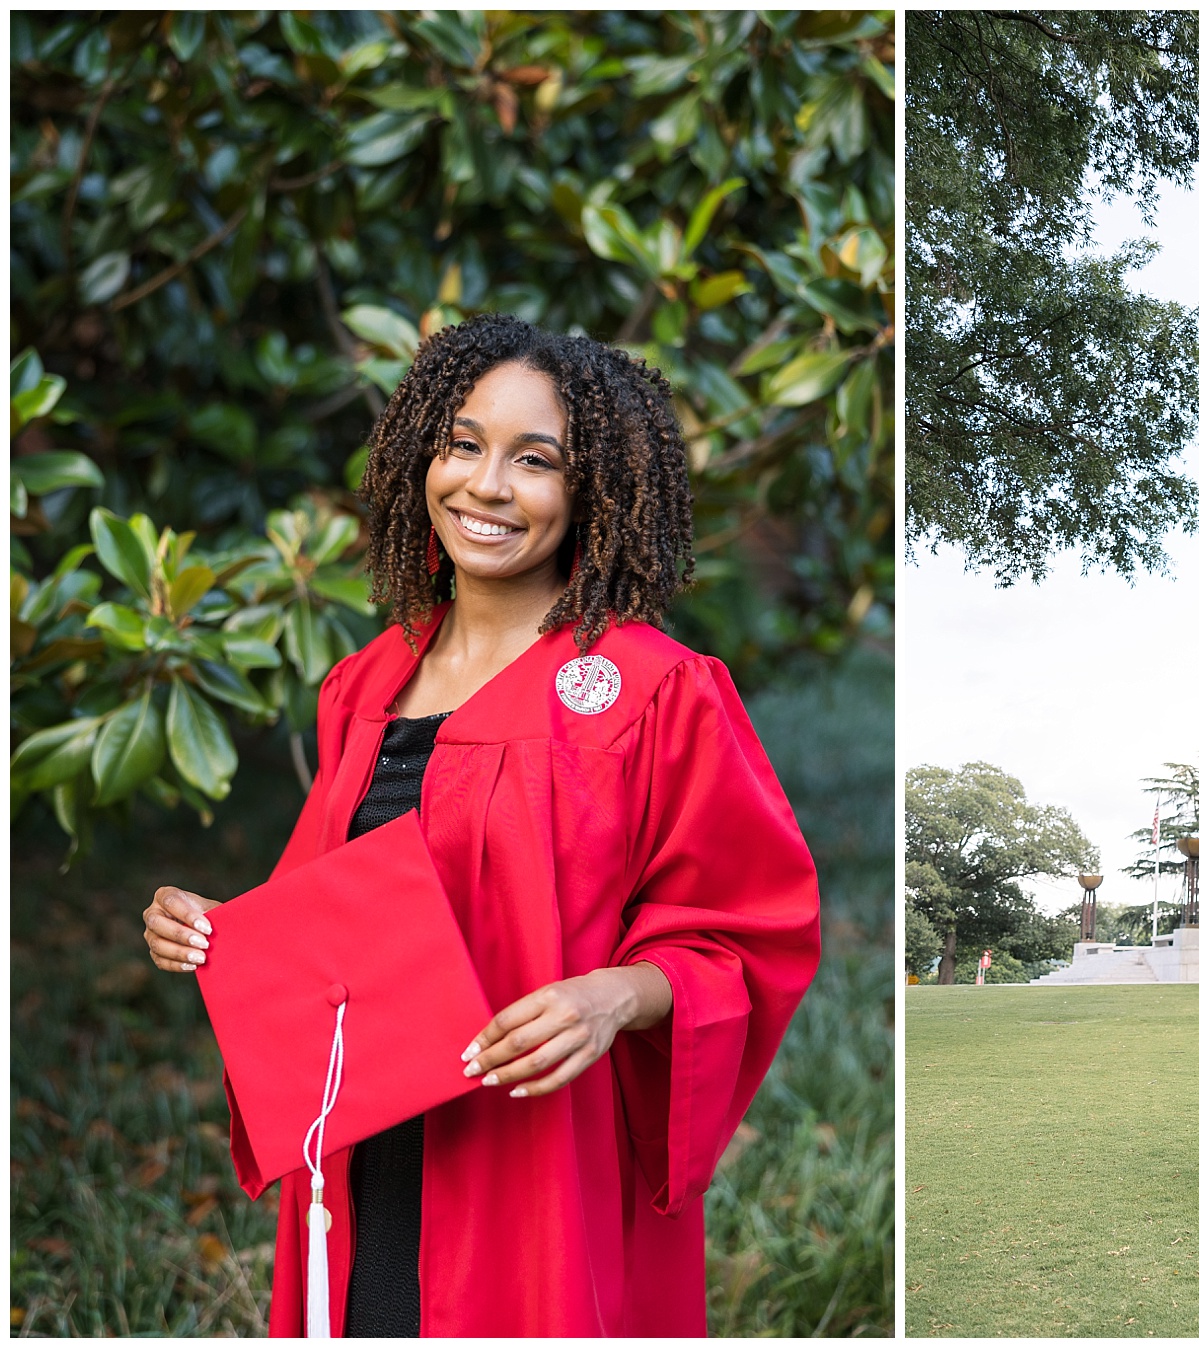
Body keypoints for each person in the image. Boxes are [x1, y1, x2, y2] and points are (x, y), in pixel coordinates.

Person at [141, 313, 821, 1335]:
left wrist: (611, 997)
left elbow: (746, 933)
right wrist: (208, 926)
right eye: (463, 444)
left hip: (536, 1151)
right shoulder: (365, 685)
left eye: (534, 460)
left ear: (589, 489)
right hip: (372, 1140)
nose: (486, 486)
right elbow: (325, 917)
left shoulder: (656, 691)